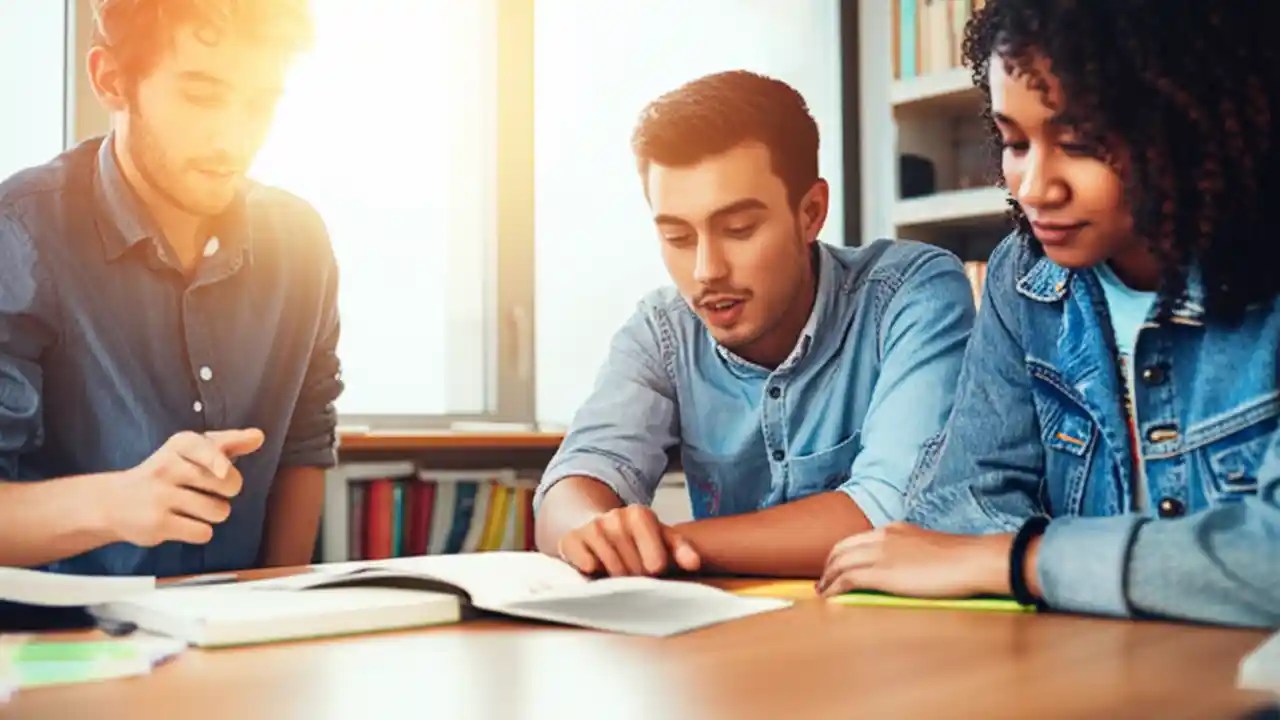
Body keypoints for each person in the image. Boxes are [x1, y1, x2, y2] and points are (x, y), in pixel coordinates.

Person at [819, 0, 1280, 627]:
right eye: (1014, 141)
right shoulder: (1024, 274)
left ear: (1186, 124)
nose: (1034, 187)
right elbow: (960, 502)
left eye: (1081, 144)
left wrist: (1020, 561)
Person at [535, 71, 975, 578]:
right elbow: (571, 483)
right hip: (730, 638)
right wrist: (592, 528)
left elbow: (891, 511)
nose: (706, 271)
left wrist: (663, 544)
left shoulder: (911, 292)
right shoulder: (663, 330)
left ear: (810, 213)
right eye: (678, 237)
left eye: (739, 230)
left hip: (889, 643)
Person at [0, 0, 343, 577]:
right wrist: (118, 503)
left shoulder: (300, 242)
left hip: (239, 645)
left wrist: (275, 612)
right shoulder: (23, 235)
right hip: (65, 647)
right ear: (111, 79)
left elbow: (304, 442)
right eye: (202, 95)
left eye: (259, 102)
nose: (233, 136)